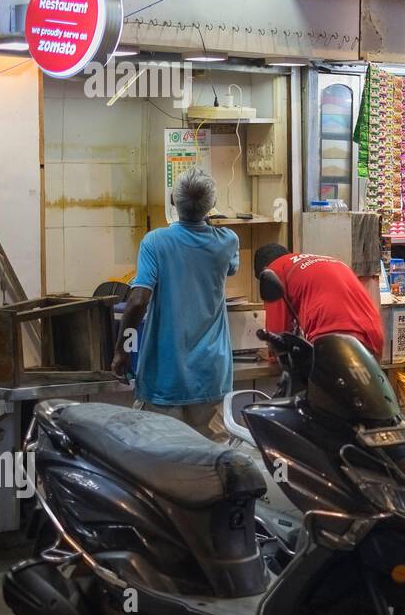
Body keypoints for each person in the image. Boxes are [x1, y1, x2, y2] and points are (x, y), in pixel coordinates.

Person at [111, 169, 239, 435]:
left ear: (173, 200)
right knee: (209, 462)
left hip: (164, 376)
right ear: (212, 205)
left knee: (161, 461)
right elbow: (229, 269)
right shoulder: (227, 241)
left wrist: (123, 349)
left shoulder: (156, 242)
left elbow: (137, 301)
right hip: (211, 374)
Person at [253, 244, 384, 356]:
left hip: (334, 339)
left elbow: (277, 335)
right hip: (373, 335)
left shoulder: (274, 271)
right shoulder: (324, 261)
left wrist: (272, 352)